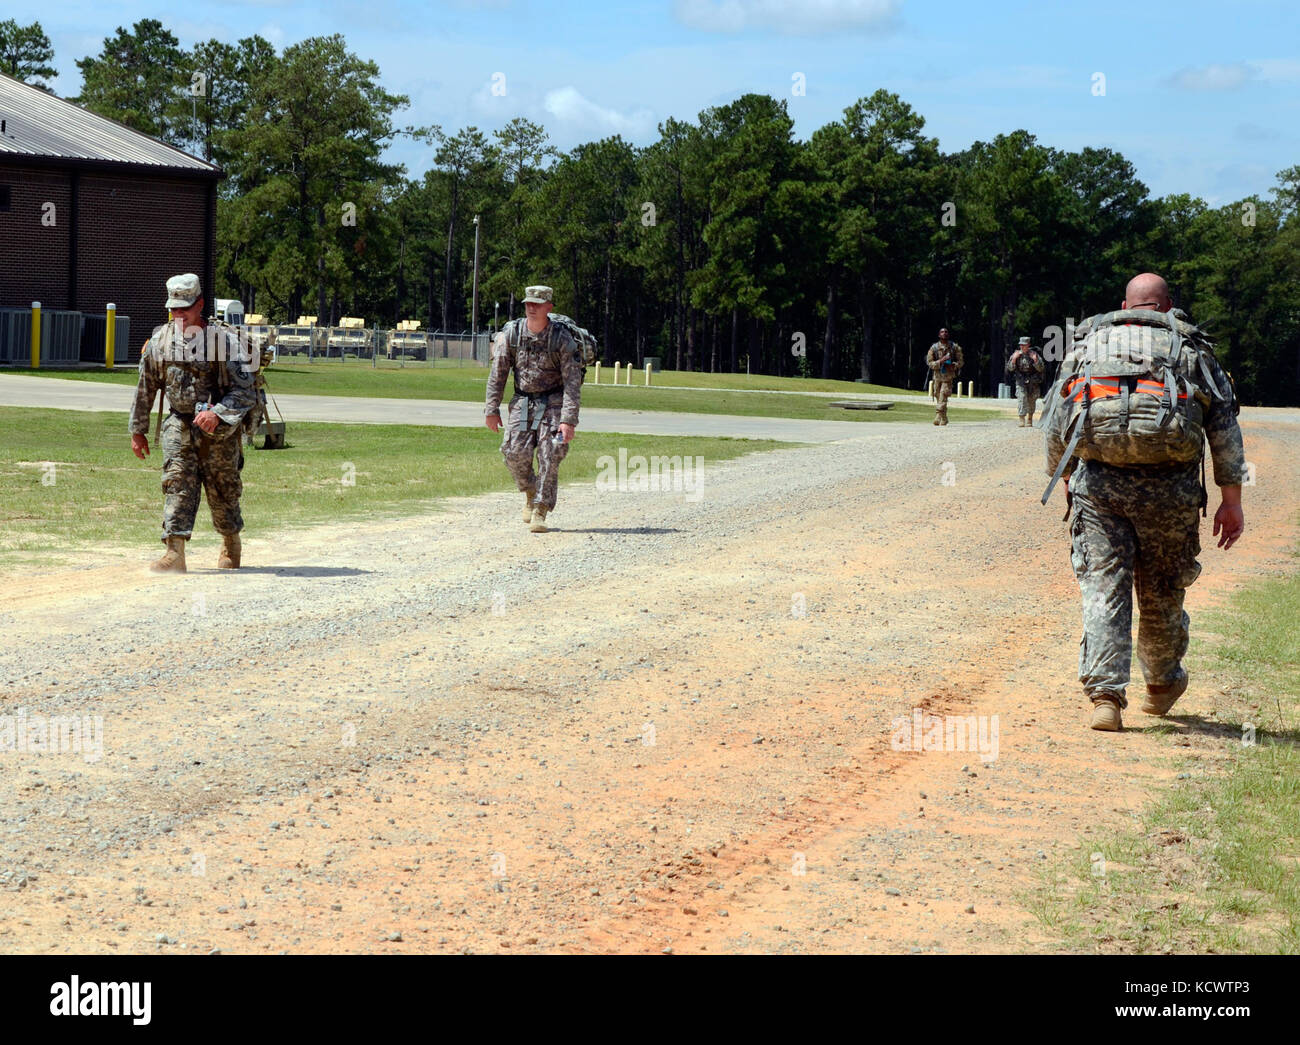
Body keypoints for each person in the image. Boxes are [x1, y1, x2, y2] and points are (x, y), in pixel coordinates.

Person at [1044, 273, 1246, 731]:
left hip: (1099, 489)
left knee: (1103, 588)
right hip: (1170, 491)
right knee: (1162, 591)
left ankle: (1106, 698)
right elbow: (1224, 429)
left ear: (1126, 305)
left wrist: (1064, 479)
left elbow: (1059, 419)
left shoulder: (1089, 344)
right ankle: (1160, 684)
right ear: (1167, 305)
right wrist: (1230, 501)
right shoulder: (1191, 348)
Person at [128, 273, 257, 572]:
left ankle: (230, 543)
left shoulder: (222, 343)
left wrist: (218, 413)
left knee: (223, 488)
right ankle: (175, 552)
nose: (178, 314)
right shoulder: (161, 340)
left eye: (184, 307)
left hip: (219, 432)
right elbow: (146, 386)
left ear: (199, 304)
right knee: (176, 483)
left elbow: (245, 390)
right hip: (179, 424)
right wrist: (138, 430)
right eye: (173, 308)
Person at [484, 285, 584, 533]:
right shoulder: (513, 334)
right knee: (513, 452)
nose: (531, 307)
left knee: (552, 453)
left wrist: (568, 421)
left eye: (537, 304)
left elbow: (572, 382)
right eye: (528, 303)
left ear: (549, 307)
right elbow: (498, 374)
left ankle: (540, 508)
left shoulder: (561, 338)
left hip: (554, 402)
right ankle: (530, 490)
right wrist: (491, 409)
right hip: (523, 401)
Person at [925, 328, 964, 425]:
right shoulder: (934, 348)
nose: (944, 333)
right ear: (939, 335)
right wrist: (941, 361)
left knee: (943, 394)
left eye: (946, 332)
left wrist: (954, 365)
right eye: (942, 332)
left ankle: (938, 415)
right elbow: (929, 363)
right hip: (937, 376)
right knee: (939, 397)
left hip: (948, 376)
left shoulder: (954, 347)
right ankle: (944, 418)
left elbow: (961, 361)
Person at [1006, 336, 1046, 427]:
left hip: (1033, 381)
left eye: (1024, 345)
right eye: (1021, 345)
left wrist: (1035, 360)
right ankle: (1021, 418)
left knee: (1032, 400)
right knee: (1022, 398)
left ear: (1028, 345)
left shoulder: (1034, 354)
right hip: (1021, 381)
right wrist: (1014, 359)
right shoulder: (1016, 355)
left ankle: (1030, 418)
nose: (1022, 347)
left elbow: (1041, 368)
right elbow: (1010, 368)